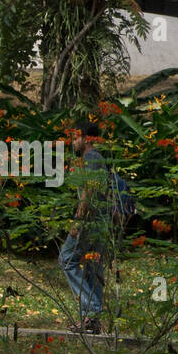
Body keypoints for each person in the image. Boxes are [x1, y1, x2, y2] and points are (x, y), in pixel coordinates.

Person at [59, 120, 109, 334]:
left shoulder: (90, 157)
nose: (73, 142)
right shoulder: (99, 158)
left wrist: (78, 220)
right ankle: (93, 320)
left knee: (67, 259)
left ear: (86, 139)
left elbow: (89, 189)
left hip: (89, 220)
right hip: (101, 220)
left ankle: (92, 310)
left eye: (76, 137)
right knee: (92, 267)